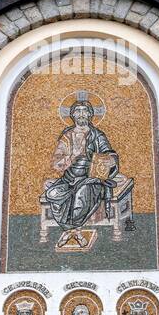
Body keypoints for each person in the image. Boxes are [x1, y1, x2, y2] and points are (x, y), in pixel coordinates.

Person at [44, 99, 118, 250]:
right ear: (72, 115)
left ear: (90, 114)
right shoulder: (67, 136)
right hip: (69, 179)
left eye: (85, 111)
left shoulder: (97, 135)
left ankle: (74, 232)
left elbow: (109, 154)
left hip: (90, 180)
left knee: (80, 197)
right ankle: (71, 231)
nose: (81, 114)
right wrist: (72, 157)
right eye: (78, 111)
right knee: (53, 195)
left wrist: (110, 160)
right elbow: (56, 162)